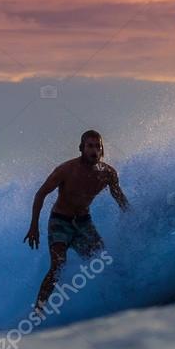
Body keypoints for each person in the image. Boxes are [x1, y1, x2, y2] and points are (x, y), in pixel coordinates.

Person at [23, 129, 129, 313]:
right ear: (81, 148)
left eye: (98, 146)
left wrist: (134, 217)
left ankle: (113, 307)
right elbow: (40, 194)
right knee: (58, 266)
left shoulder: (108, 174)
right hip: (60, 222)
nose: (94, 150)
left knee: (102, 263)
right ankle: (37, 312)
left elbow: (120, 198)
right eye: (90, 146)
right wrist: (34, 227)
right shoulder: (66, 170)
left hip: (84, 223)